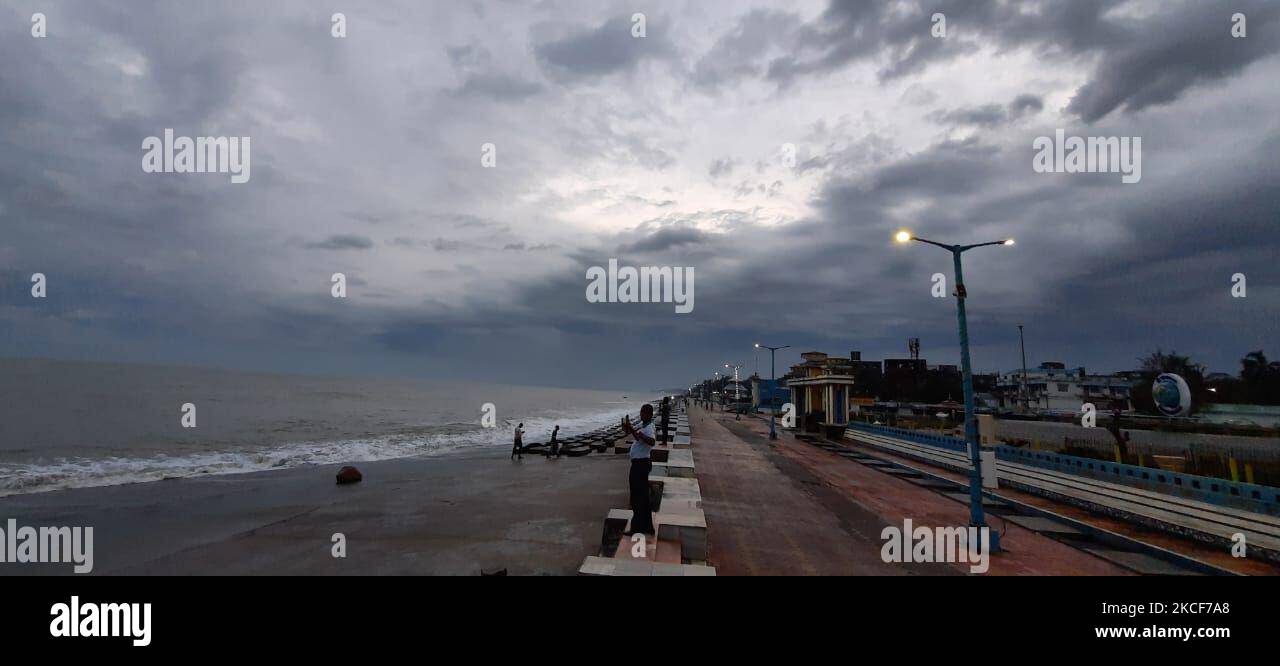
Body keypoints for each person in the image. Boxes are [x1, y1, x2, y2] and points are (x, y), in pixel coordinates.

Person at [622, 405, 657, 535]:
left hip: (640, 465)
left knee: (637, 497)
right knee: (642, 497)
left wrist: (635, 431)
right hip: (641, 464)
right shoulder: (646, 426)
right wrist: (631, 429)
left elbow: (652, 441)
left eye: (642, 412)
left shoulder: (648, 427)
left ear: (648, 414)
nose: (641, 415)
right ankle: (647, 527)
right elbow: (638, 438)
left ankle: (637, 528)